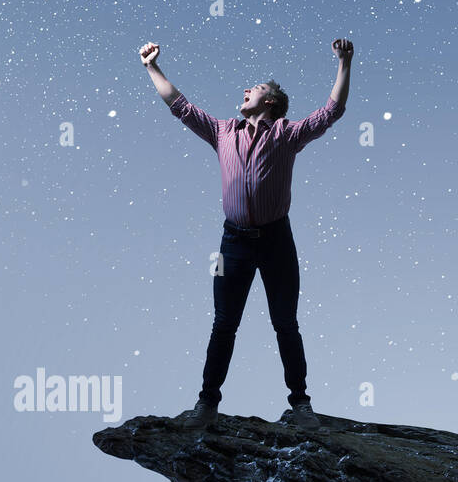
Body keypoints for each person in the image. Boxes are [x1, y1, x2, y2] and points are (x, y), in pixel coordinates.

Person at [141, 38, 353, 429]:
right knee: (224, 323)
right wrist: (152, 68)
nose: (245, 91)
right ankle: (206, 404)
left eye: (254, 89)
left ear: (270, 102)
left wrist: (344, 62)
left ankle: (301, 403)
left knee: (285, 323)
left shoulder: (287, 134)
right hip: (231, 244)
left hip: (277, 242)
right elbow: (180, 107)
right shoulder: (223, 132)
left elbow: (332, 111)